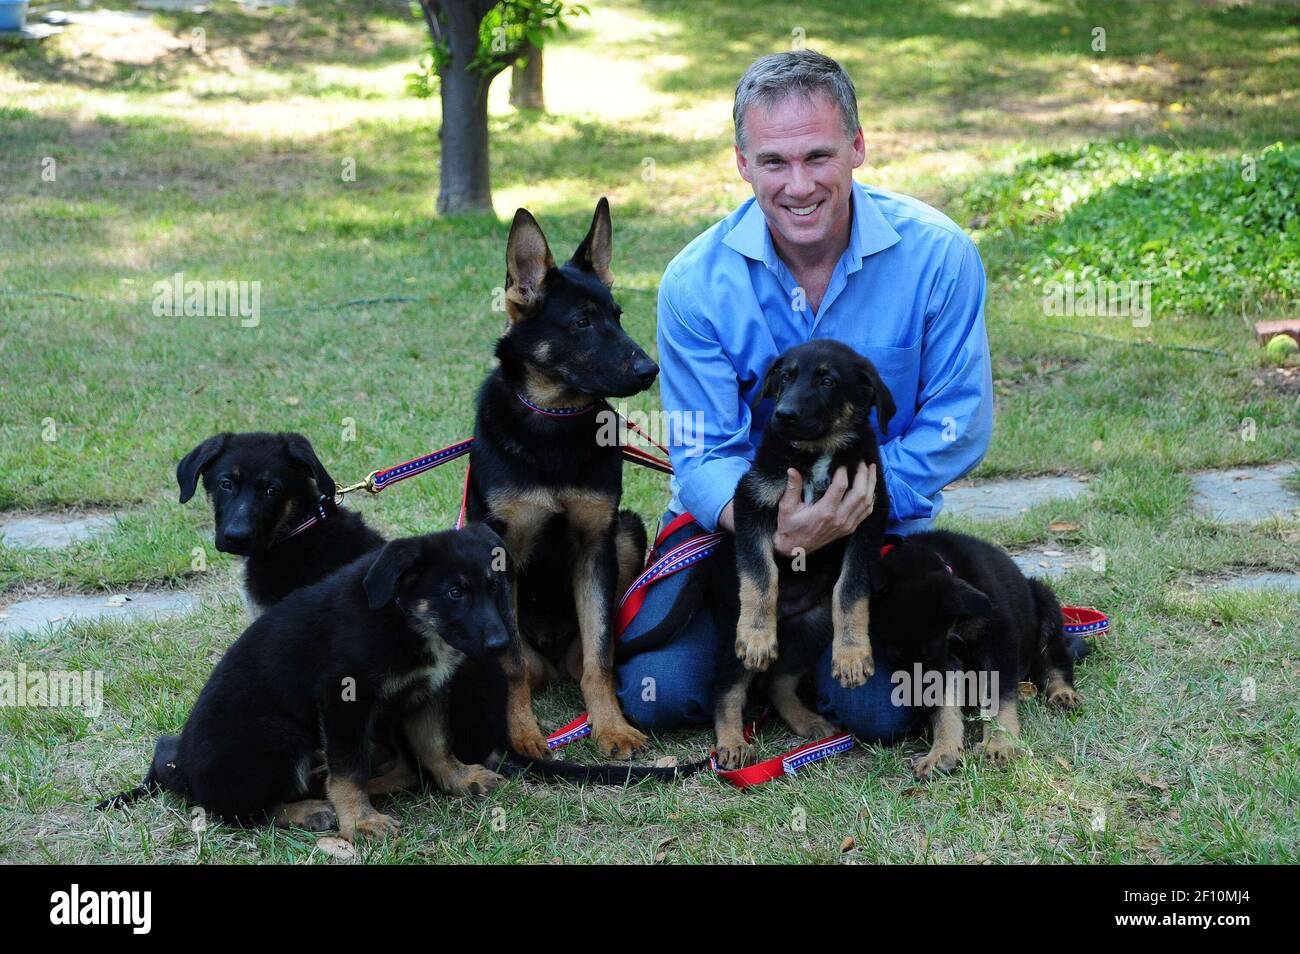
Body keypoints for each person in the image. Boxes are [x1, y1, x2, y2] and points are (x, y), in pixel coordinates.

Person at [615, 49, 994, 743]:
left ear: (857, 146)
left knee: (880, 712)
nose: (798, 186)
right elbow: (703, 452)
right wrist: (773, 526)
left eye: (818, 157)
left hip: (876, 531)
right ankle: (766, 666)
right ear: (741, 162)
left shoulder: (939, 256)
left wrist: (855, 503)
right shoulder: (695, 283)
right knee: (656, 696)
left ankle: (806, 670)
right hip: (740, 531)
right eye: (773, 163)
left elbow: (958, 422)